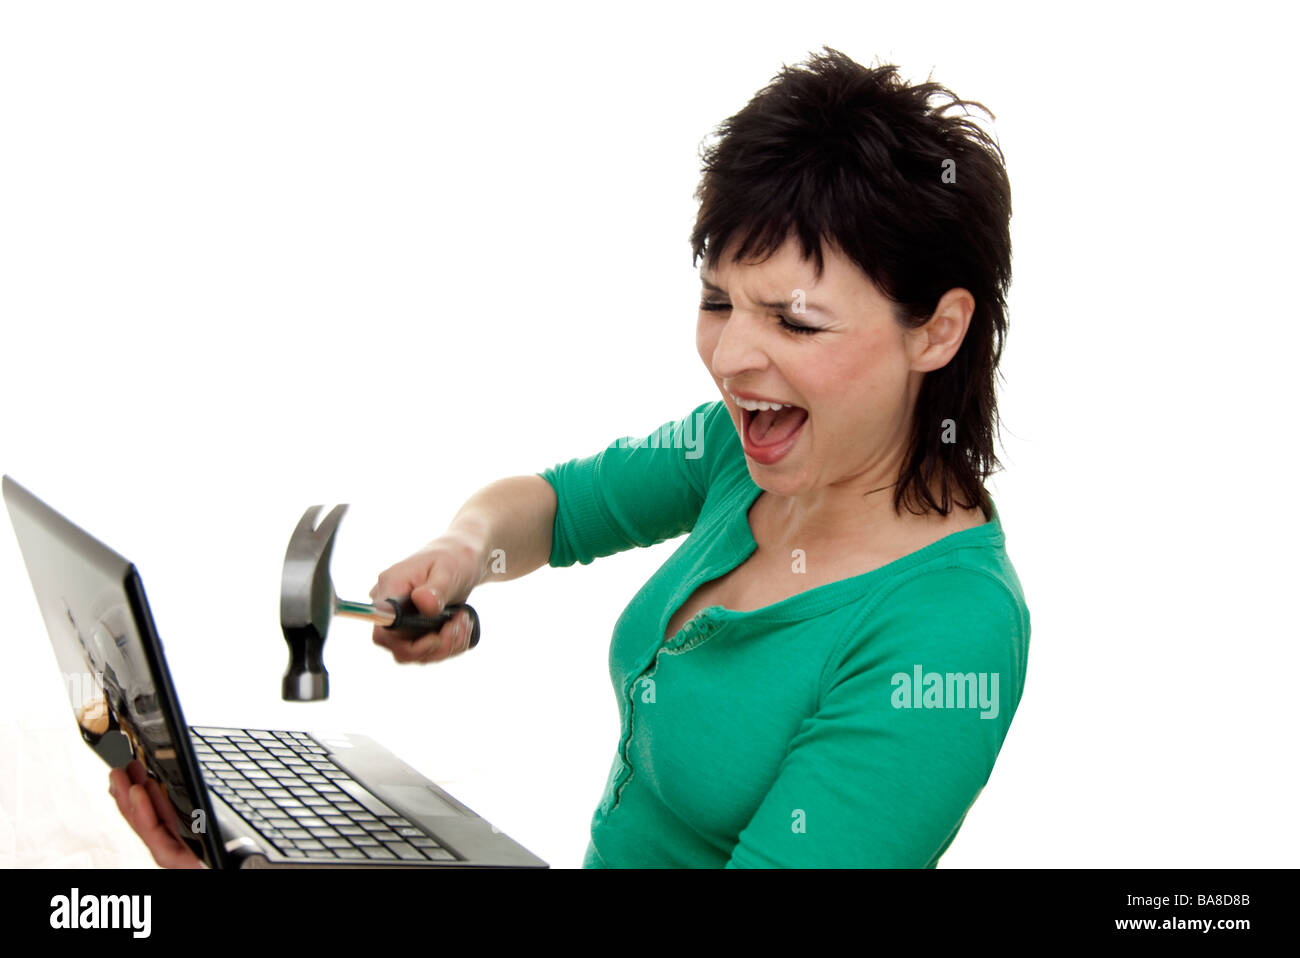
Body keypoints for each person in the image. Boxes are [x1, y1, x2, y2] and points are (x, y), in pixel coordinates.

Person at [112, 45, 1029, 868]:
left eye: (794, 319)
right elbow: (555, 509)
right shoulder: (736, 446)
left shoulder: (950, 637)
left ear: (938, 331)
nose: (731, 359)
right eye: (719, 302)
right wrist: (466, 552)